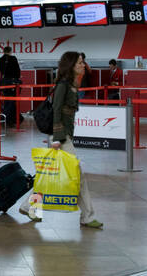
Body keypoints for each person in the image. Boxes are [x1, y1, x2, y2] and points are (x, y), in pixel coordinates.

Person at [21, 51, 103, 229]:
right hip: (61, 138)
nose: (83, 65)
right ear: (71, 65)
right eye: (80, 62)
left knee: (50, 175)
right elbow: (57, 110)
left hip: (65, 136)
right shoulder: (63, 85)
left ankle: (29, 207)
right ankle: (87, 216)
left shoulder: (73, 84)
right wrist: (57, 138)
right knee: (77, 176)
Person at [0, 46, 21, 128]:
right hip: (12, 82)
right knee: (11, 101)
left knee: (7, 100)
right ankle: (5, 118)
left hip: (4, 82)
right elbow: (17, 71)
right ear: (10, 51)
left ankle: (11, 119)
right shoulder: (13, 58)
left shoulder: (0, 59)